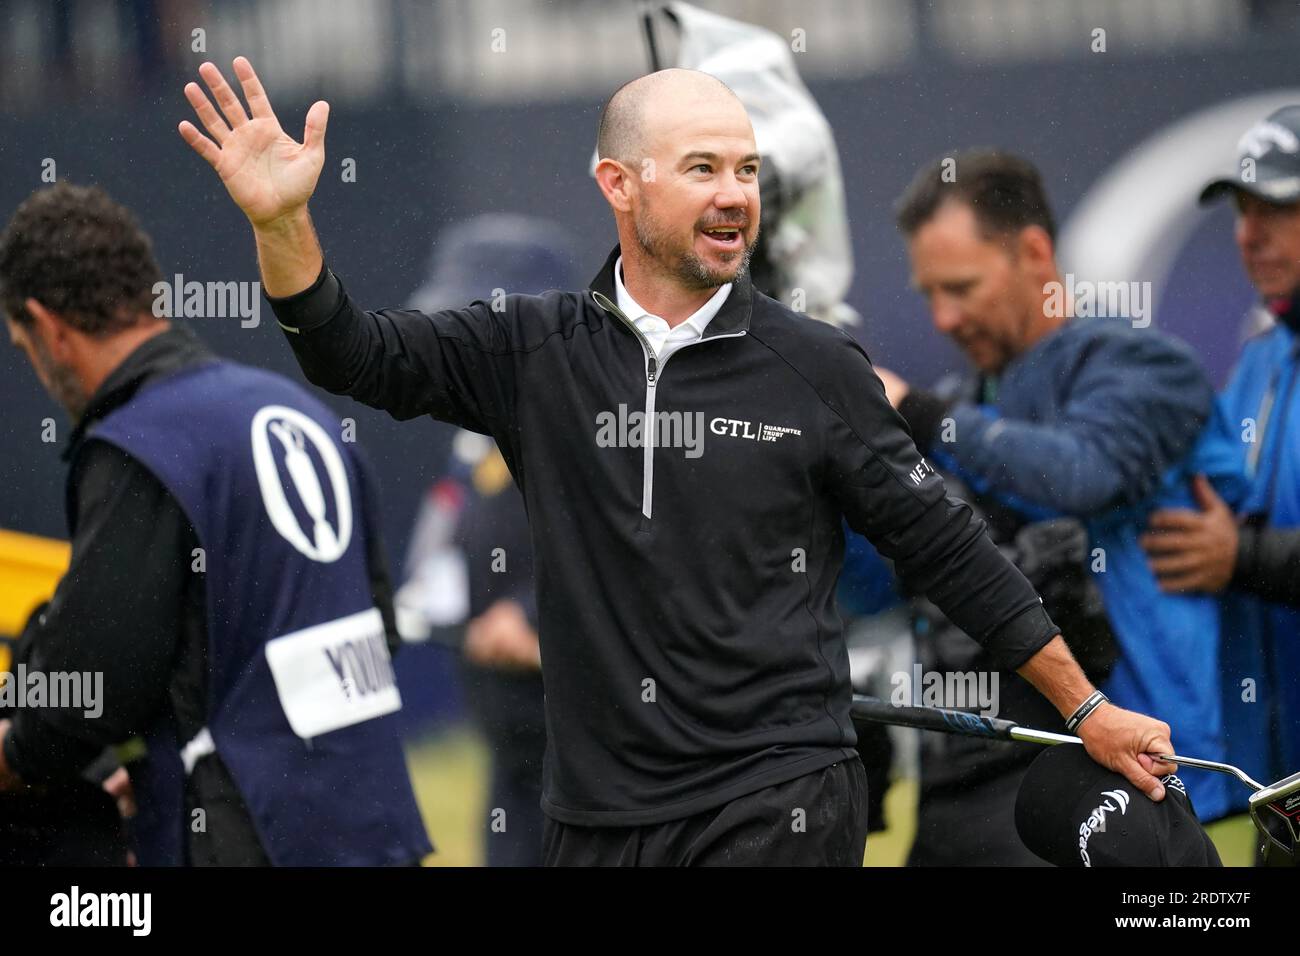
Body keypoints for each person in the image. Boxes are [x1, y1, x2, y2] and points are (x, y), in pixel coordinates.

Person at [179, 57, 1179, 867]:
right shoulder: (528, 349)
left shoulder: (815, 366)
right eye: (702, 168)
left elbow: (952, 550)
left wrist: (1084, 707)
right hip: (596, 817)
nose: (735, 194)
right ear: (620, 183)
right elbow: (349, 350)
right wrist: (281, 224)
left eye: (745, 171)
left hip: (776, 803)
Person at [0, 182, 432, 866]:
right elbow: (378, 622)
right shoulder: (299, 410)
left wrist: (18, 752)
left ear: (47, 326)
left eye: (24, 345)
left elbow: (92, 687)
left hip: (247, 838)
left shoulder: (137, 445)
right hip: (374, 828)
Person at [876, 149, 1238, 833]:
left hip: (1156, 770)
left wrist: (921, 417)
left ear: (1034, 253)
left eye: (960, 286)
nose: (943, 319)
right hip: (999, 780)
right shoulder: (960, 405)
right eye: (928, 295)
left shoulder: (1145, 365)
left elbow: (1079, 476)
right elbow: (889, 580)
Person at [399, 214, 578, 866]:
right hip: (512, 755)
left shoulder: (599, 432)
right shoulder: (471, 441)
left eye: (469, 328)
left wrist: (531, 615)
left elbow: (649, 552)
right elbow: (435, 560)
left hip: (596, 764)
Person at [1141, 104, 1300, 806]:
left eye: (1276, 208)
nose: (1248, 234)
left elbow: (1239, 545)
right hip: (1279, 781)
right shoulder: (1262, 358)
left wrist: (1241, 559)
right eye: (1241, 210)